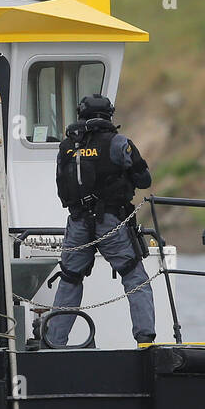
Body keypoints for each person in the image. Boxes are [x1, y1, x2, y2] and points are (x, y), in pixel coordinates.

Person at [45, 93, 156, 347]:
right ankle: (145, 340)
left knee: (71, 278)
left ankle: (53, 343)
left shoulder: (66, 146)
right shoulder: (119, 143)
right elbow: (144, 179)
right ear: (109, 115)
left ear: (80, 114)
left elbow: (62, 186)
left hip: (77, 223)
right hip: (111, 222)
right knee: (133, 275)